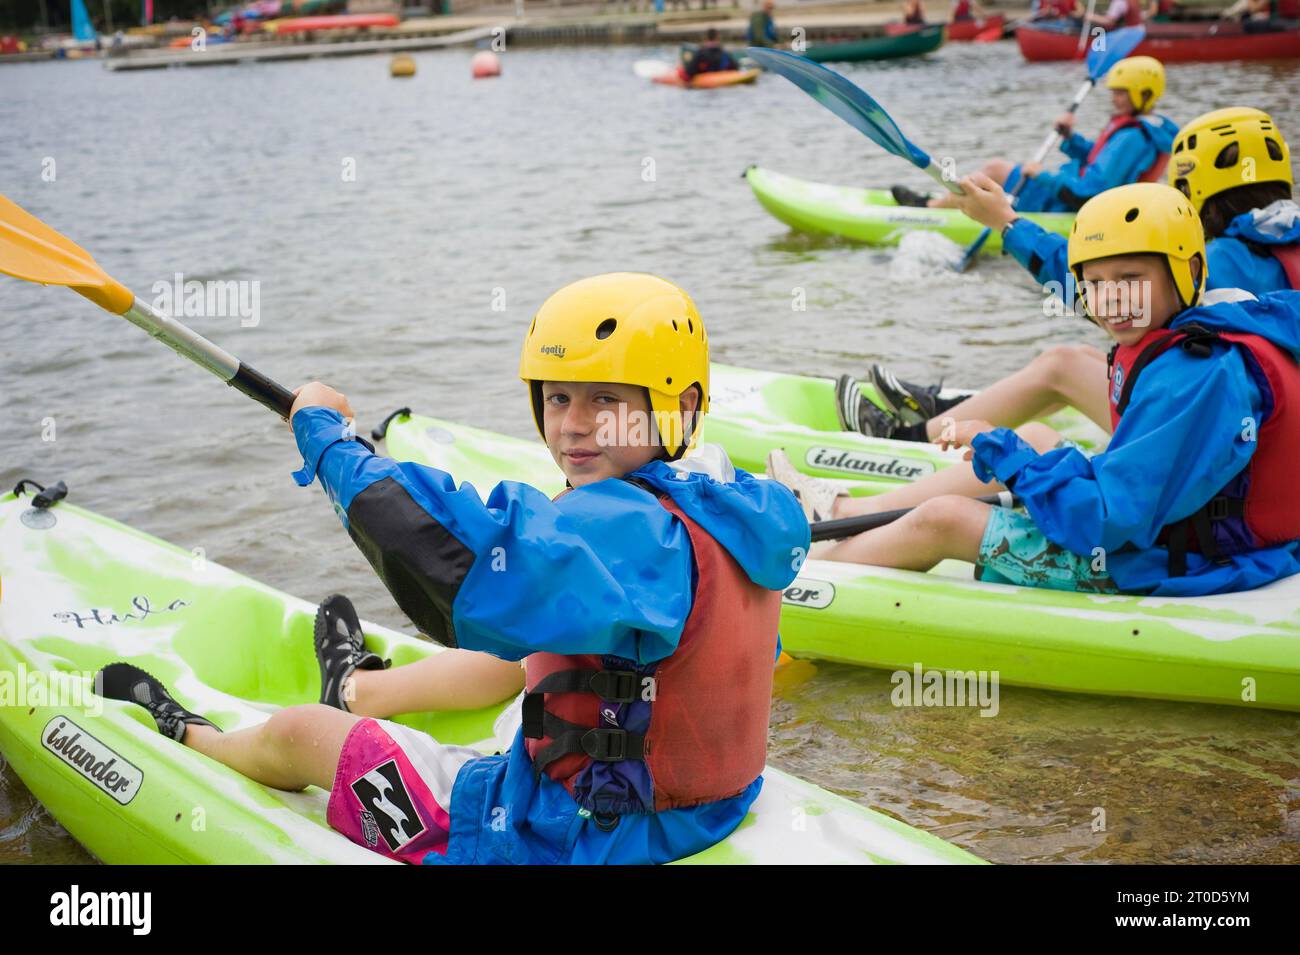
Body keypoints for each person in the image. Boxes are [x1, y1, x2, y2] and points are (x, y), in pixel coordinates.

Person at [96, 273, 808, 865]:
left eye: (605, 399)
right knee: (543, 644)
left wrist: (327, 441)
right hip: (712, 805)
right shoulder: (739, 504)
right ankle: (365, 692)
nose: (572, 424)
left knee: (299, 733)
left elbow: (445, 551)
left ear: (678, 406)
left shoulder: (623, 530)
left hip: (577, 834)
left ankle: (191, 734)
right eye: (558, 396)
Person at [772, 184, 1300, 598]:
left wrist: (1006, 455)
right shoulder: (1203, 317)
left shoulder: (1198, 374)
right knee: (1043, 437)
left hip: (1186, 564)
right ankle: (842, 516)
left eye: (1130, 277)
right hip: (1173, 532)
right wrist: (1007, 220)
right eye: (1095, 283)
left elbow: (1104, 524)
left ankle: (783, 583)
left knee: (945, 520)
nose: (1111, 300)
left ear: (1187, 271)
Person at [838, 108, 1298, 442]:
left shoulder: (1230, 259)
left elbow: (1100, 296)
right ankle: (949, 410)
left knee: (1060, 366)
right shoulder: (1280, 240)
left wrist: (1007, 223)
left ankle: (909, 438)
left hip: (1233, 435)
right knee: (1087, 357)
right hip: (1259, 418)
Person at [891, 57, 1177, 213]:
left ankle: (928, 208)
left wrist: (1042, 175)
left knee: (989, 173)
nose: (1115, 99)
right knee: (994, 170)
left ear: (1144, 93)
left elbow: (1088, 193)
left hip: (1068, 205)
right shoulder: (1144, 128)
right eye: (1114, 92)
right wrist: (1071, 139)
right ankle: (945, 201)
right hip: (1071, 194)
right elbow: (1097, 160)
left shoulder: (1133, 137)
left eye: (1121, 93)